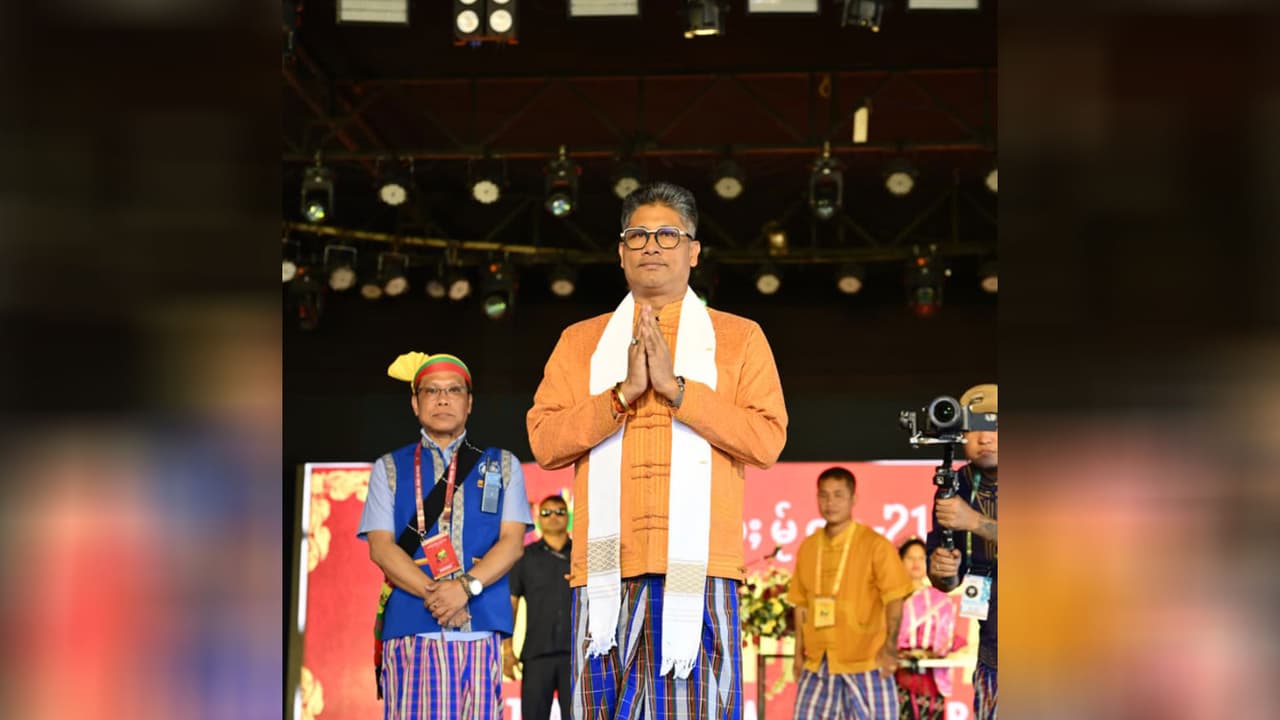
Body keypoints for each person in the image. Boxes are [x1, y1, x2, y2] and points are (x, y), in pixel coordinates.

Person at [526, 181, 788, 720]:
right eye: (638, 235)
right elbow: (544, 442)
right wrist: (619, 395)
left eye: (668, 235)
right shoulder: (582, 342)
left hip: (699, 570)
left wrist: (678, 391)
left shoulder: (739, 338)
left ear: (693, 251)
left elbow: (766, 441)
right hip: (602, 570)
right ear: (620, 253)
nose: (651, 245)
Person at [356, 351, 533, 720]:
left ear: (469, 403)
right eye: (431, 391)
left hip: (480, 631)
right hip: (411, 630)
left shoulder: (504, 464)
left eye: (453, 390)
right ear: (414, 402)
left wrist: (464, 588)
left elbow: (513, 543)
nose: (442, 398)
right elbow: (381, 548)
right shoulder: (388, 467)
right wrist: (437, 595)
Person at [788, 467, 916, 720]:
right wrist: (797, 656)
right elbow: (801, 606)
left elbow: (894, 599)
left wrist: (890, 649)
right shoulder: (808, 547)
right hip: (818, 663)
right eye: (823, 495)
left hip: (866, 661)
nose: (830, 502)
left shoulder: (875, 545)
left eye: (838, 495)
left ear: (853, 499)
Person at [926, 383, 997, 720]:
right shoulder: (955, 484)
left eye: (996, 425)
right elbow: (945, 581)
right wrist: (943, 570)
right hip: (993, 655)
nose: (986, 437)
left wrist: (975, 522)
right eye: (976, 428)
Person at [505, 495, 573, 720]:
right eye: (547, 513)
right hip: (536, 655)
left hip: (575, 655)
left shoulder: (582, 555)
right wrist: (507, 649)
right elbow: (511, 604)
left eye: (560, 511)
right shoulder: (525, 557)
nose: (553, 517)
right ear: (538, 518)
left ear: (568, 516)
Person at [894, 538, 963, 720]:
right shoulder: (888, 600)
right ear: (900, 562)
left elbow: (947, 640)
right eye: (910, 558)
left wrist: (930, 653)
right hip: (895, 677)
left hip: (930, 679)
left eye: (921, 558)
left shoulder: (940, 601)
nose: (916, 563)